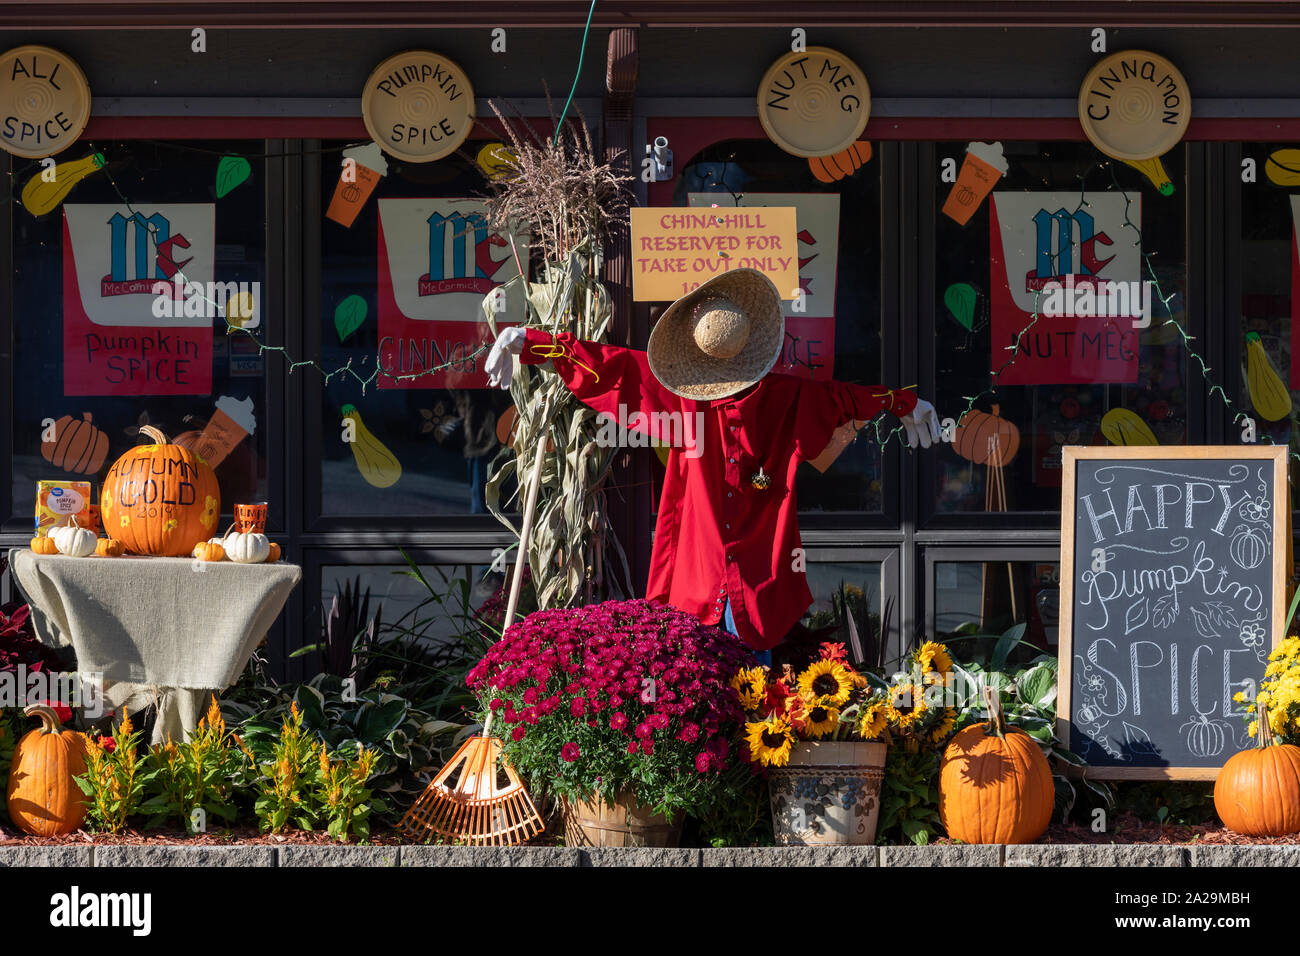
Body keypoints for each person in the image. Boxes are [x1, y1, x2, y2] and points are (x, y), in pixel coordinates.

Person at [485, 268, 940, 662]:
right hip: (699, 571)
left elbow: (843, 398)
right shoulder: (685, 399)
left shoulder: (783, 399)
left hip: (756, 577)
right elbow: (614, 369)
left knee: (750, 696)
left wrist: (901, 402)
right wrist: (534, 345)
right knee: (701, 685)